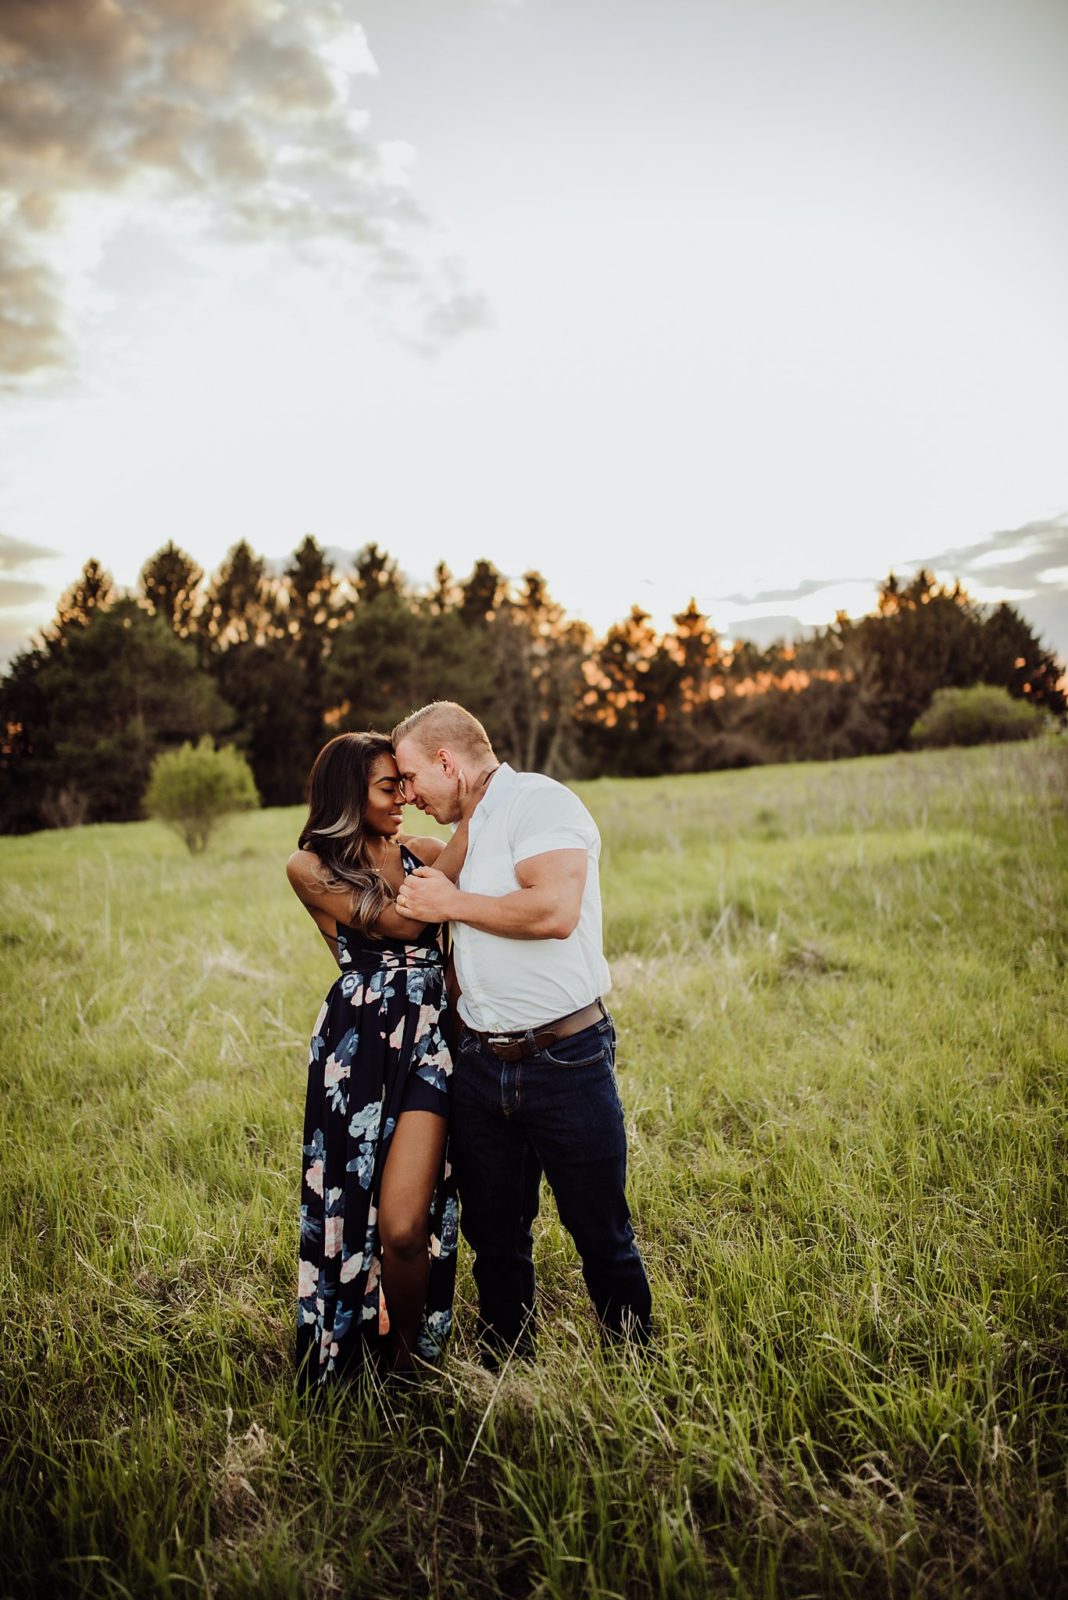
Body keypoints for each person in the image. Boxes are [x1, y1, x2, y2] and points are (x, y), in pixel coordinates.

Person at [392, 702, 652, 1363]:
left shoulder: (539, 802)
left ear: (447, 761)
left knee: (601, 1232)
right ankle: (507, 1369)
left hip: (564, 1058)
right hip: (479, 1063)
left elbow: (555, 910)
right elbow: (422, 881)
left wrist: (450, 904)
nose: (410, 794)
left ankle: (637, 1370)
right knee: (496, 1236)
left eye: (413, 777)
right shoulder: (470, 826)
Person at [286, 731, 468, 1389]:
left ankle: (409, 1362)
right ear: (347, 794)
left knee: (400, 1227)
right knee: (354, 1206)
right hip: (355, 1051)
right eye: (390, 788)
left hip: (428, 1044)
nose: (406, 799)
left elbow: (488, 885)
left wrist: (477, 804)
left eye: (406, 783)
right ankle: (361, 1342)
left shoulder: (422, 853)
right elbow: (398, 922)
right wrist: (469, 829)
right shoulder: (310, 868)